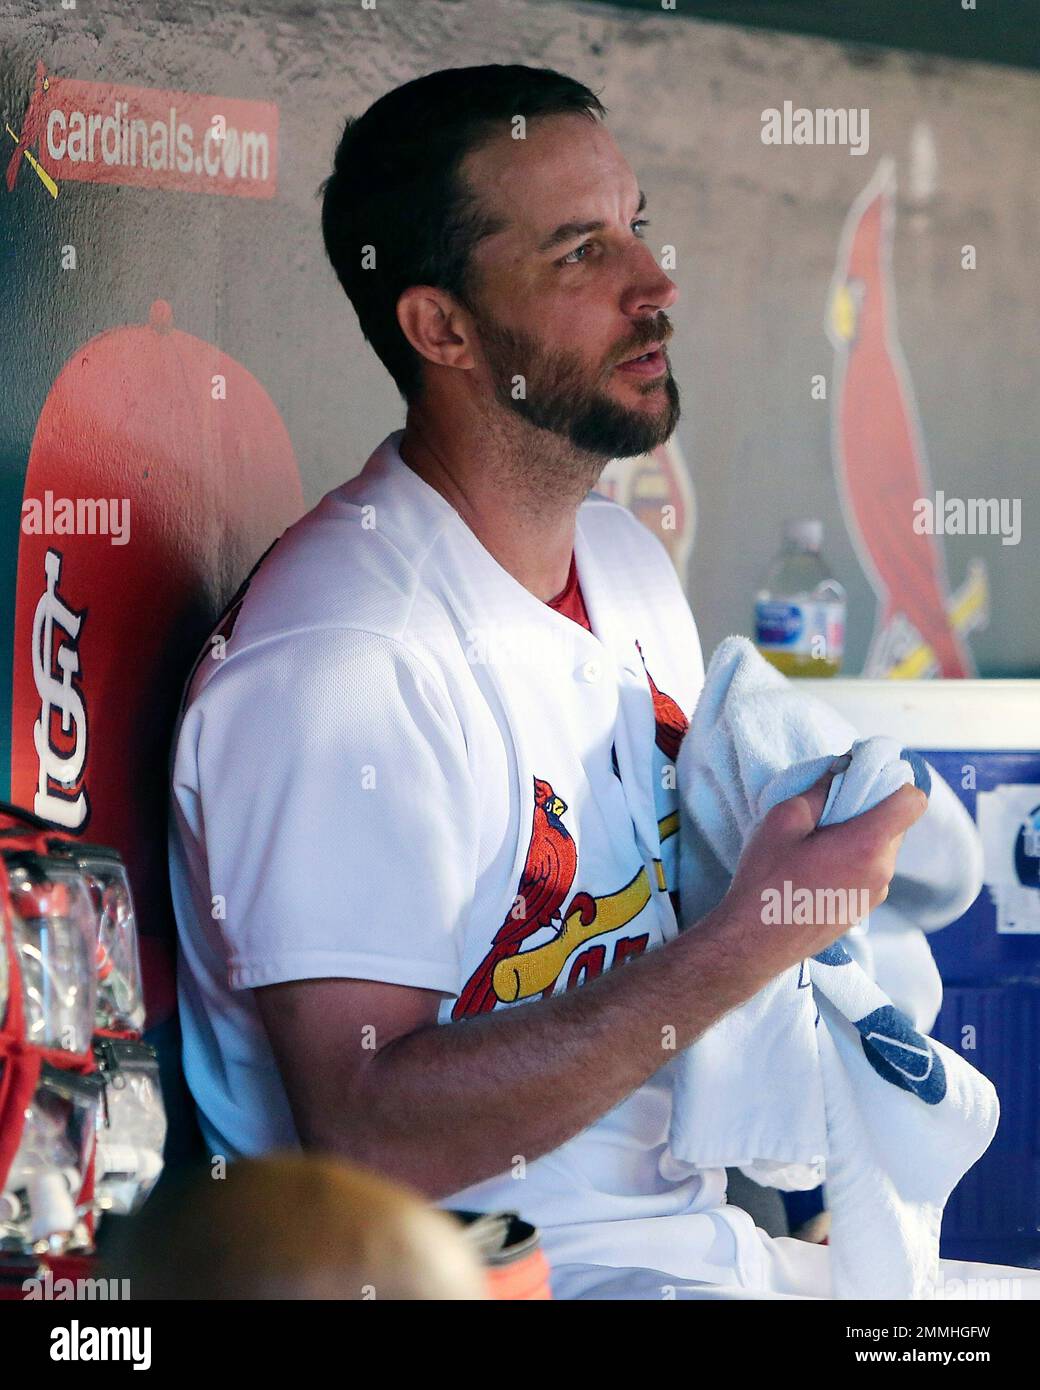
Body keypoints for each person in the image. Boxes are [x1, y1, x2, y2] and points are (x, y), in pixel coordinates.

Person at [169, 65, 938, 1300]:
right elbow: (366, 1145)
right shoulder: (345, 661)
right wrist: (756, 934)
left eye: (634, 223)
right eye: (581, 252)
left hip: (697, 1256)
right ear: (443, 330)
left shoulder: (624, 567)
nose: (654, 284)